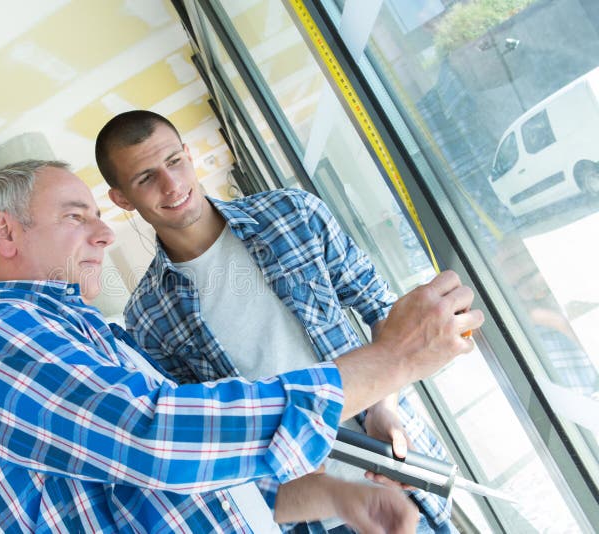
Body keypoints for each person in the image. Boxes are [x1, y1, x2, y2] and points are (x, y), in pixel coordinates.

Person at [0, 159, 482, 533]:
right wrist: (392, 359)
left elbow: (202, 477)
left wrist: (337, 498)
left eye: (98, 215)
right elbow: (158, 437)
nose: (104, 233)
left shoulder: (96, 339)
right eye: (75, 216)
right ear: (5, 233)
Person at [97, 110, 464, 533]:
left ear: (189, 155)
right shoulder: (147, 317)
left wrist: (385, 406)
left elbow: (381, 310)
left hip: (395, 467)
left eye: (175, 162)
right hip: (312, 516)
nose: (172, 185)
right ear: (122, 198)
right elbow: (208, 444)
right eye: (146, 178)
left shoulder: (292, 214)